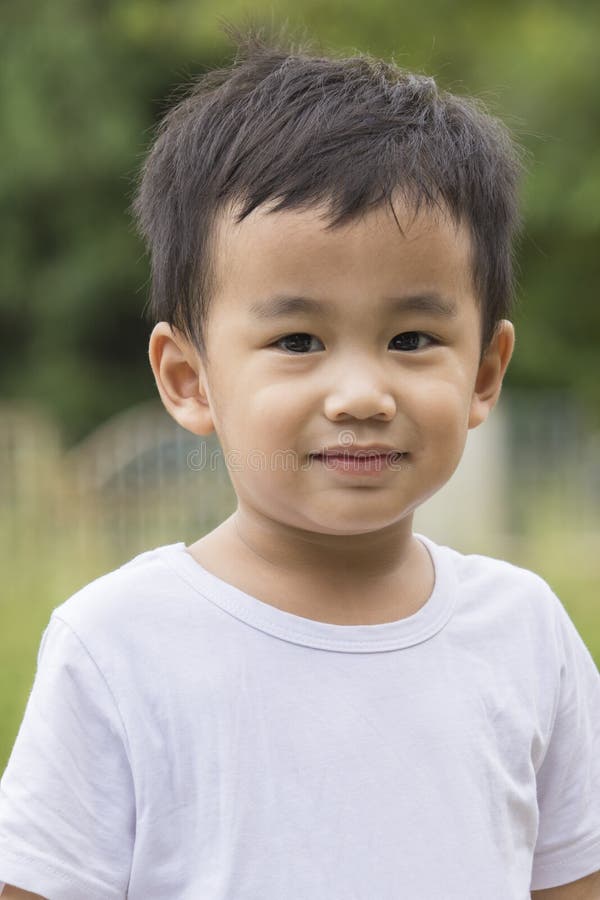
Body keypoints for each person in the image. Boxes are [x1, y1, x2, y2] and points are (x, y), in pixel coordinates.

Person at [1, 25, 599, 900]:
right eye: (297, 339)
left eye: (411, 338)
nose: (361, 394)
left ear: (484, 372)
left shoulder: (524, 633)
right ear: (189, 378)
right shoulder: (118, 647)